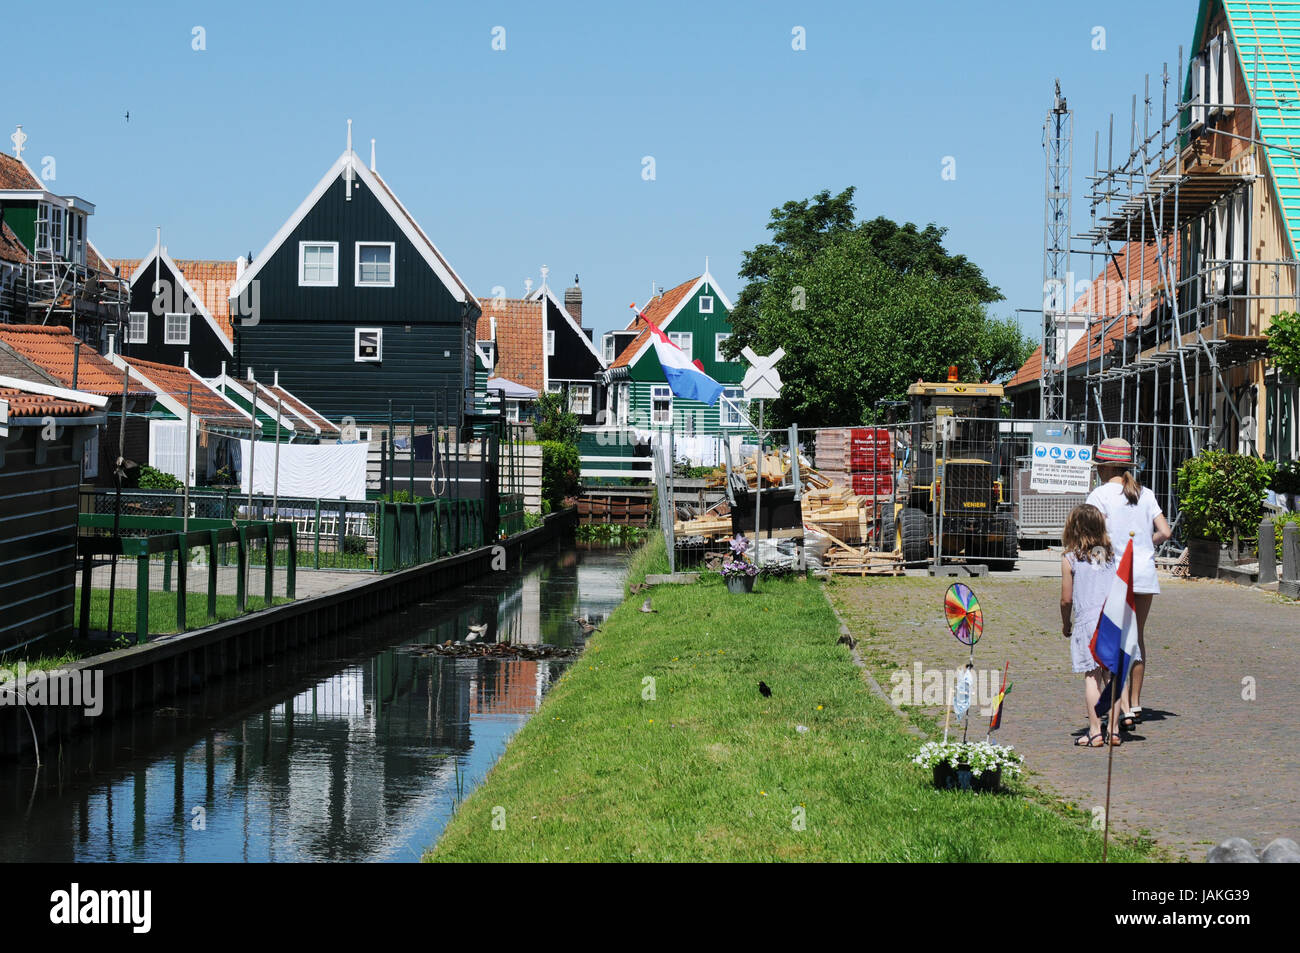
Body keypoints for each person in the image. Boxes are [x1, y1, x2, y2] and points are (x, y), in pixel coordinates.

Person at [1085, 437, 1172, 730]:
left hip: (1114, 575)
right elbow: (1165, 531)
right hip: (1144, 574)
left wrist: (1094, 571)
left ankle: (1117, 706)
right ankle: (1135, 704)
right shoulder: (1144, 493)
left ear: (1106, 468)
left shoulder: (1099, 496)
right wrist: (1146, 545)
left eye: (1098, 467)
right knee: (1136, 638)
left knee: (1113, 638)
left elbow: (1093, 539)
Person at [1060, 504, 1119, 746]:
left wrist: (1066, 624)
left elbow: (1066, 599)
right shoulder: (1110, 556)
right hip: (1111, 620)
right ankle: (1114, 731)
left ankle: (1095, 730)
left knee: (1092, 676)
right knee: (1111, 676)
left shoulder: (1070, 559)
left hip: (1087, 623)